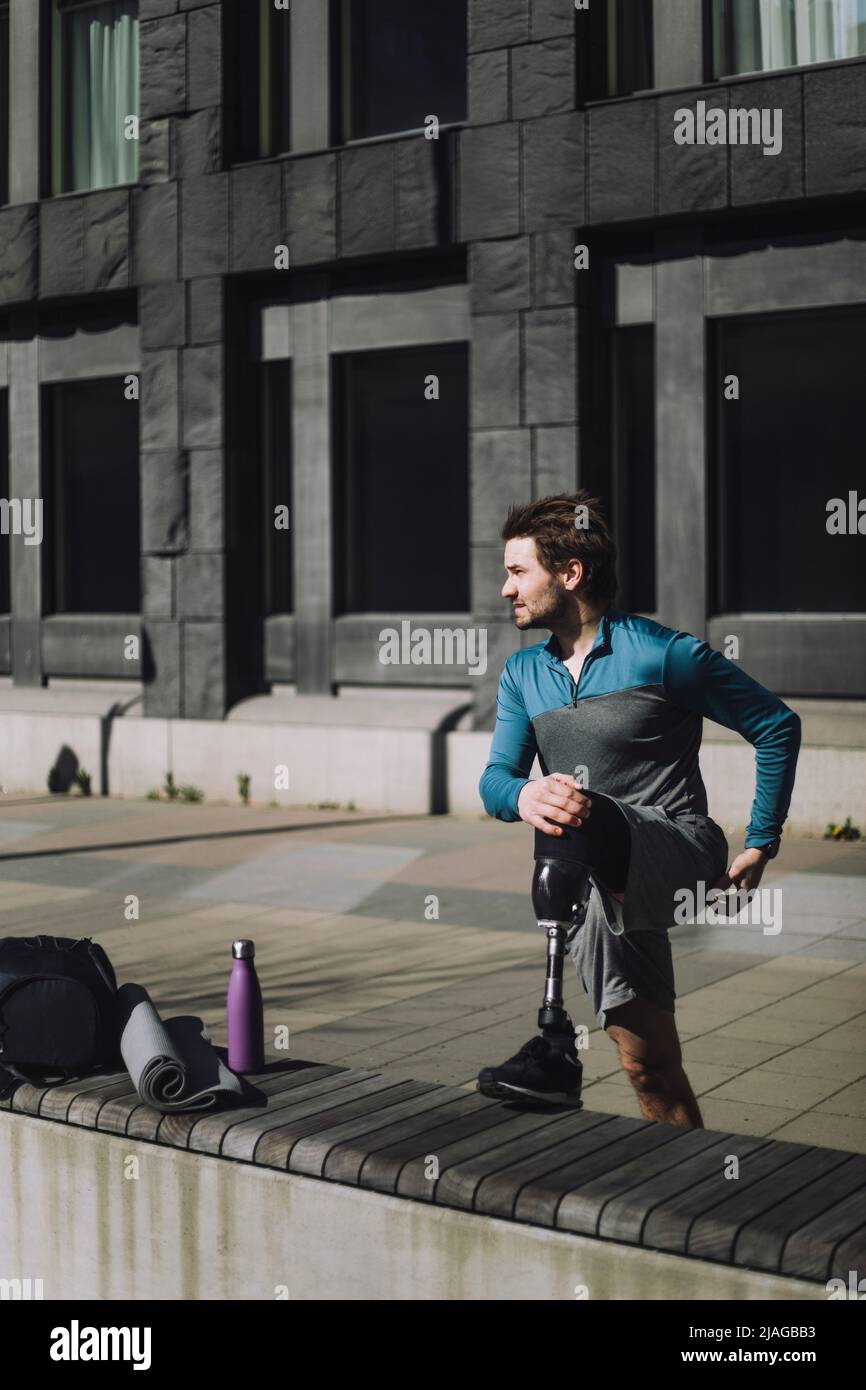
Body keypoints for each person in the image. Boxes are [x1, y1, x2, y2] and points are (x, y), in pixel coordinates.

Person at [477, 492, 801, 1127]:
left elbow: (776, 725)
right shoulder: (522, 675)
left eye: (518, 572)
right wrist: (522, 794)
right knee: (647, 1064)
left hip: (677, 847)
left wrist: (761, 840)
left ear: (570, 573)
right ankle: (692, 1193)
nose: (504, 589)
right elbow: (495, 781)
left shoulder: (662, 654)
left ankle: (551, 1040)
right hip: (593, 880)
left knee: (576, 805)